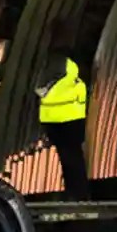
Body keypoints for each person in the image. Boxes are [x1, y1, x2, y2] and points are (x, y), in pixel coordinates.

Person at [35, 52, 91, 200]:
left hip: (53, 121)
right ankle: (79, 193)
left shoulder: (49, 69)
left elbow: (40, 90)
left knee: (67, 159)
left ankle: (74, 192)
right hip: (72, 120)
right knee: (73, 159)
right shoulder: (75, 77)